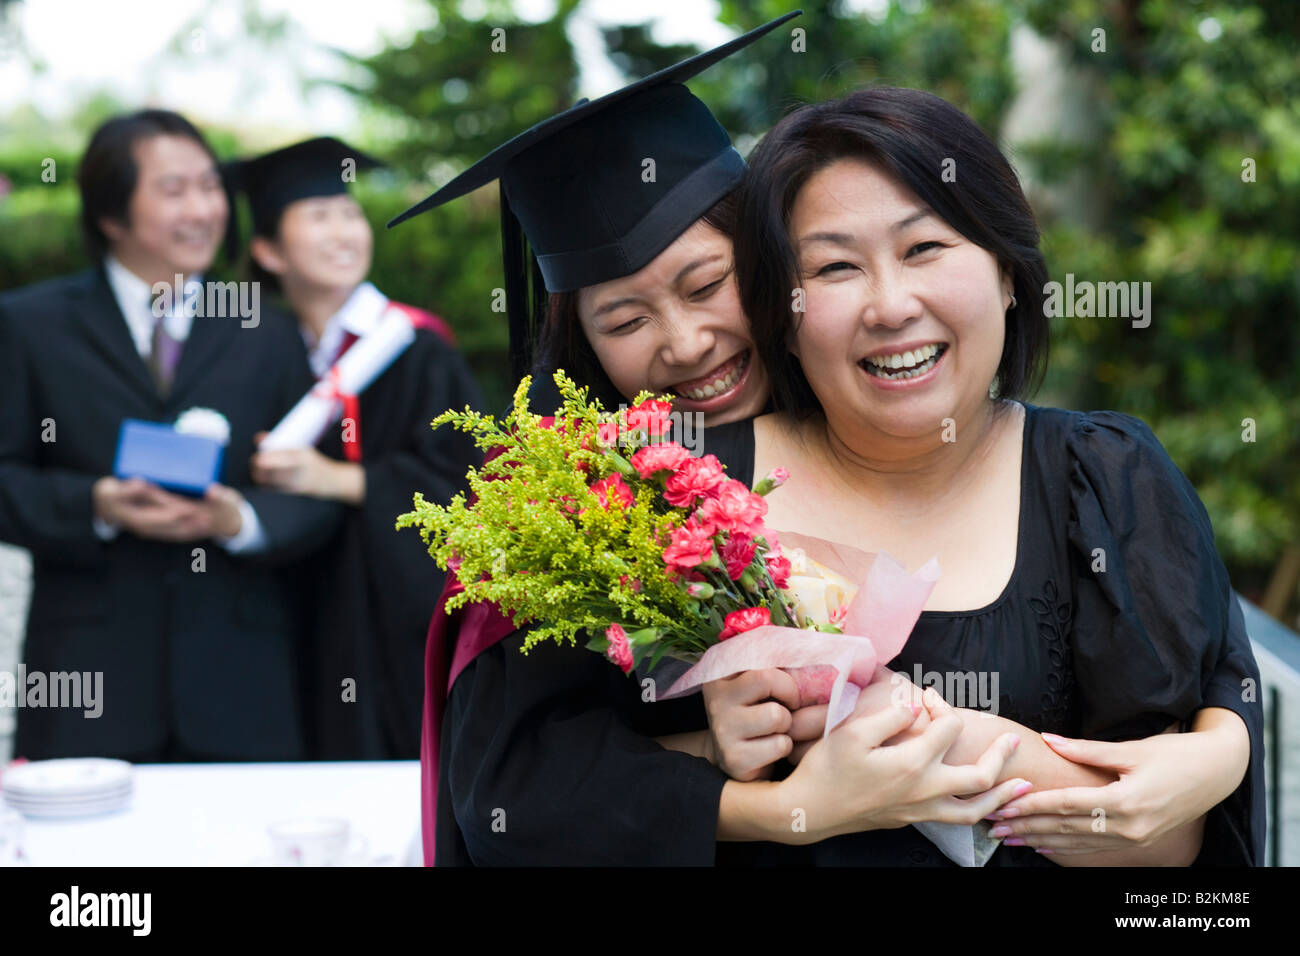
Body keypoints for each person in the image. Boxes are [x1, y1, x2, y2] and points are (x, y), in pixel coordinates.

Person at [400, 19, 1262, 863]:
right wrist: (758, 790)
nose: (688, 343)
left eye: (708, 283)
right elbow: (521, 787)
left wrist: (1224, 744)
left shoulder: (1095, 474)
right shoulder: (618, 503)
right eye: (625, 319)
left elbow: (1191, 725)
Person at [721, 85, 1263, 864]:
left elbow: (1164, 840)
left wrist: (946, 738)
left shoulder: (1105, 479)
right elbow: (571, 790)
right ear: (785, 316)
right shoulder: (687, 493)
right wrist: (721, 755)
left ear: (1008, 275)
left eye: (925, 248)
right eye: (835, 267)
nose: (891, 304)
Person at [0, 110, 342, 761]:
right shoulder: (30, 324)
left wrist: (236, 517)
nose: (203, 208)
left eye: (210, 186)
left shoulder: (265, 331)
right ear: (110, 214)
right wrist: (95, 504)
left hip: (240, 676)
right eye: (174, 189)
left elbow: (318, 490)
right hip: (88, 678)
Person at [230, 137, 485, 760]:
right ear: (268, 249)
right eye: (319, 217)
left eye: (349, 213)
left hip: (394, 612)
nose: (345, 231)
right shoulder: (252, 354)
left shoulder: (415, 345)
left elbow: (469, 479)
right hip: (294, 606)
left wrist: (336, 479)